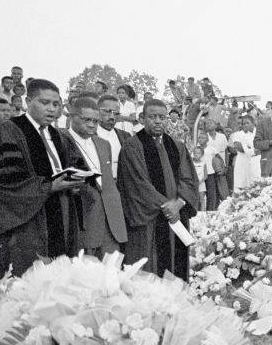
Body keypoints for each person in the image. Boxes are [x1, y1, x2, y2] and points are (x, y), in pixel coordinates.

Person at [0, 79, 86, 277]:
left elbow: (75, 165)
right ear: (28, 101)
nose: (51, 109)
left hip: (62, 213)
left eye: (56, 104)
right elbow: (4, 181)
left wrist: (76, 182)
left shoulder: (60, 136)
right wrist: (48, 187)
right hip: (29, 221)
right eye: (44, 103)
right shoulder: (8, 131)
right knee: (29, 281)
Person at [94, 94, 169, 268]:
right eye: (106, 112)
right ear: (97, 112)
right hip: (99, 193)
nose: (111, 116)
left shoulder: (124, 136)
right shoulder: (90, 135)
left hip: (124, 196)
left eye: (115, 112)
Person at [136, 99, 199, 280]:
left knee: (177, 267)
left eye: (162, 117)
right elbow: (139, 184)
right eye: (152, 117)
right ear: (142, 118)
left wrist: (179, 203)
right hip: (154, 218)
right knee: (154, 270)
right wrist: (167, 207)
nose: (158, 121)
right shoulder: (134, 146)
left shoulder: (177, 146)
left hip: (177, 216)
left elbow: (189, 179)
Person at [67, 96, 127, 256]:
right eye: (87, 120)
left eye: (95, 120)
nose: (92, 125)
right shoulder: (62, 141)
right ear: (72, 116)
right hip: (83, 220)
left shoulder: (103, 144)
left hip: (111, 219)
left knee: (112, 272)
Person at [227, 114, 261, 189]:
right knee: (241, 184)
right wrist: (253, 150)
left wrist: (248, 147)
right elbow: (238, 147)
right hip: (242, 162)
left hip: (256, 162)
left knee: (255, 183)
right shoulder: (237, 134)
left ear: (253, 123)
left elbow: (261, 146)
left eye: (247, 123)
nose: (244, 125)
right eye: (242, 124)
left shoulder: (258, 133)